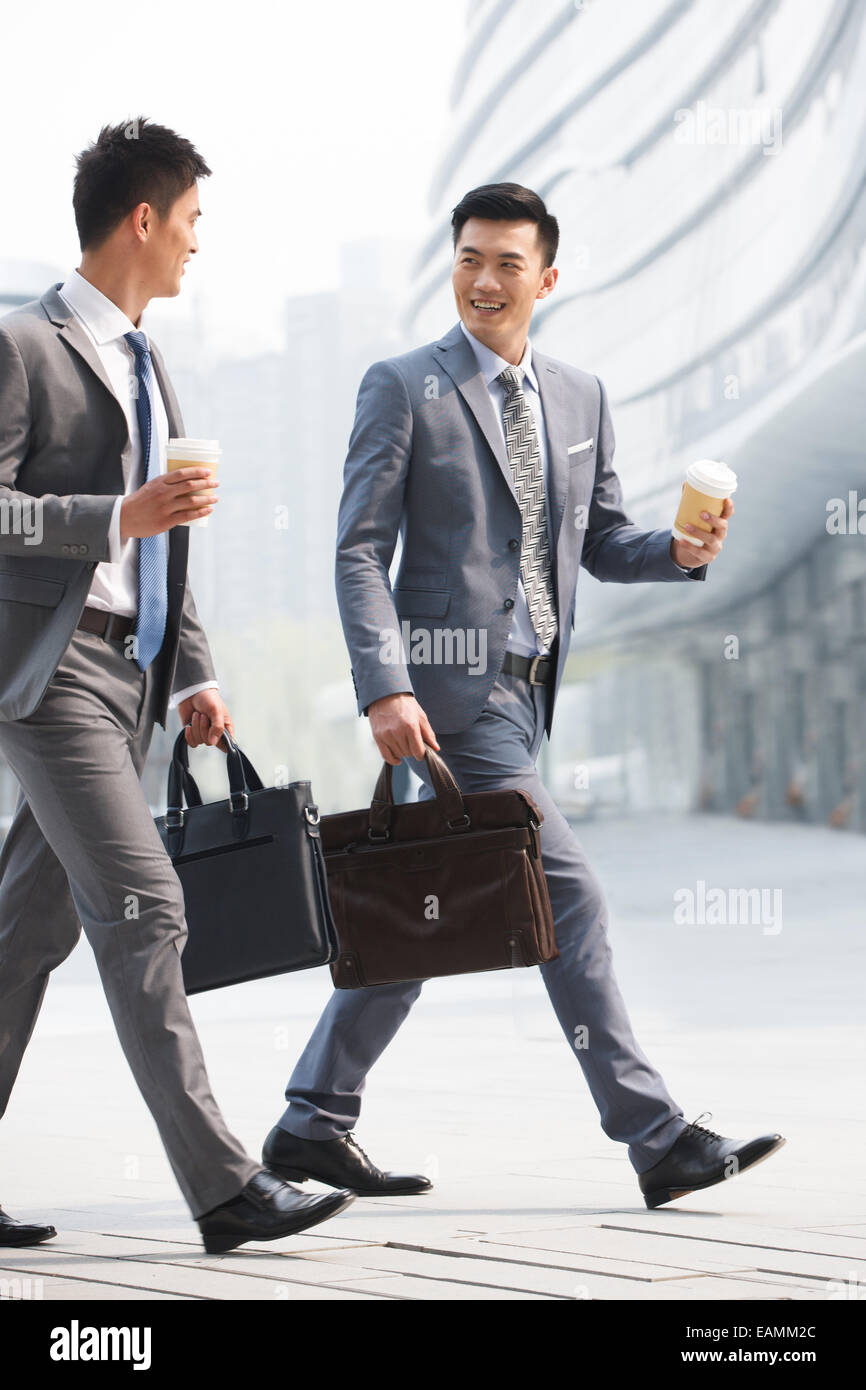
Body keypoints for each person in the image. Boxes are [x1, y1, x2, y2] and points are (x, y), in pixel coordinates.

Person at [263, 183, 785, 1210]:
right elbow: (359, 551)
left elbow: (597, 542)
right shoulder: (399, 385)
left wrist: (675, 552)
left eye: (506, 262)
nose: (483, 279)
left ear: (545, 278)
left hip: (524, 700)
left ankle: (311, 1120)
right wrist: (384, 687)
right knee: (567, 894)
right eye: (467, 258)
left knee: (422, 907)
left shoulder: (580, 395)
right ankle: (656, 1136)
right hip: (447, 702)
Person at [0, 118, 353, 1253]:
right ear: (143, 220)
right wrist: (112, 515)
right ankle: (224, 1188)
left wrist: (193, 667)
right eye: (193, 222)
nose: (200, 245)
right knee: (148, 909)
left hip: (133, 683)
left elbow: (169, 547)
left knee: (19, 938)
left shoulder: (151, 364)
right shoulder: (23, 344)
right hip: (52, 678)